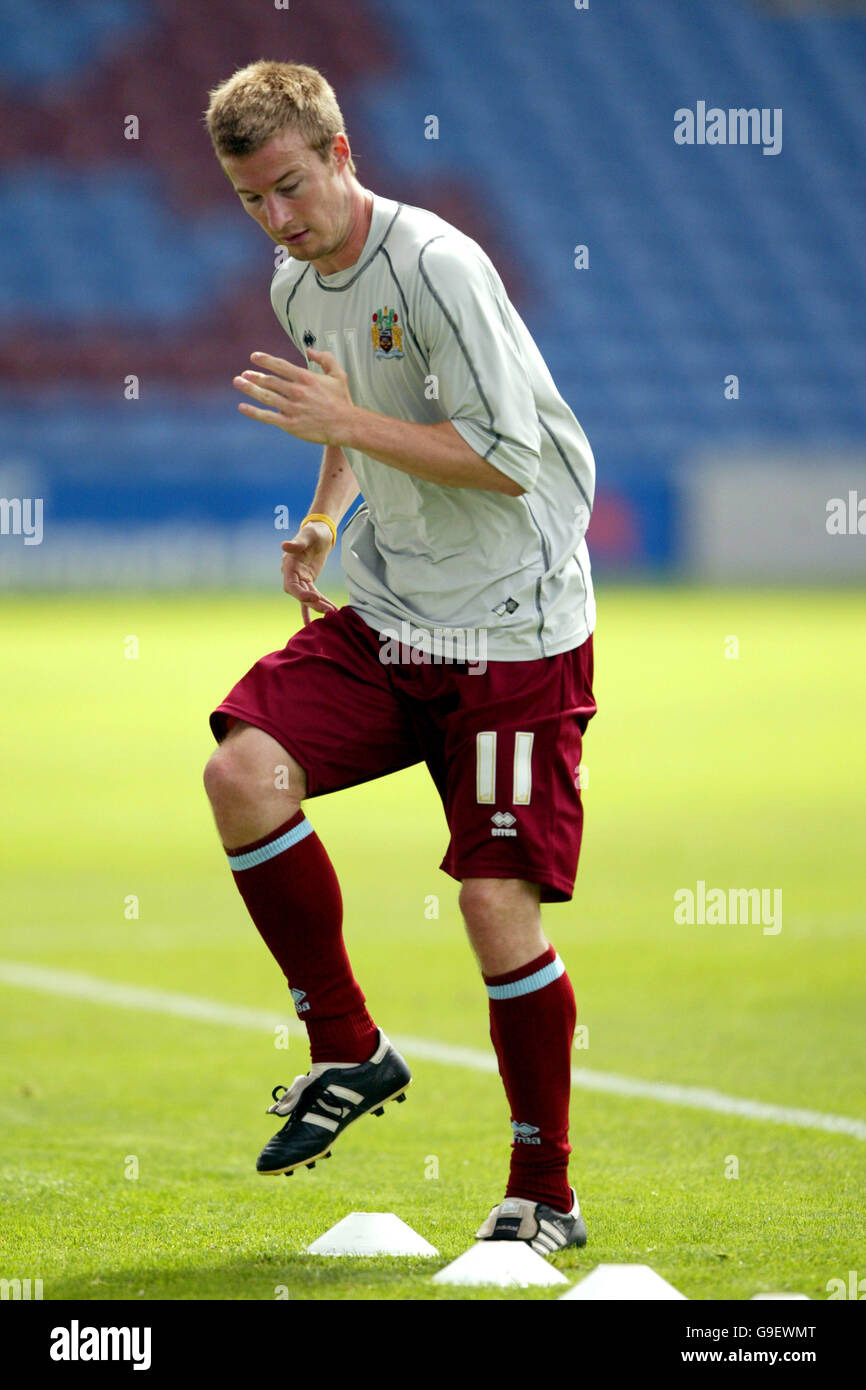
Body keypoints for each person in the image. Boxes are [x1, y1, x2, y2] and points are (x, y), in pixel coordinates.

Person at [202, 59, 597, 1256]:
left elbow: (504, 456)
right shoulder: (295, 285)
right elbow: (345, 407)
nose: (275, 221)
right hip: (389, 613)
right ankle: (344, 1045)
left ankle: (544, 1194)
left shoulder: (435, 263)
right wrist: (327, 510)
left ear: (337, 151)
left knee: (492, 903)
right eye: (249, 202)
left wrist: (342, 431)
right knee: (240, 774)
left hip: (512, 634)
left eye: (286, 188)